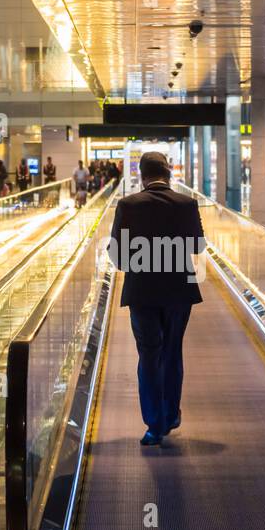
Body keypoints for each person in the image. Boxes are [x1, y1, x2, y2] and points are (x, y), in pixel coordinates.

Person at [107, 151, 205, 446]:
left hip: (142, 291)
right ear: (168, 173)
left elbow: (116, 255)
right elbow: (198, 245)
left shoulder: (128, 205)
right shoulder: (186, 203)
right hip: (179, 290)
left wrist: (138, 262)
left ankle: (154, 424)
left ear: (142, 175)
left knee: (149, 355)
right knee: (172, 351)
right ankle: (171, 413)